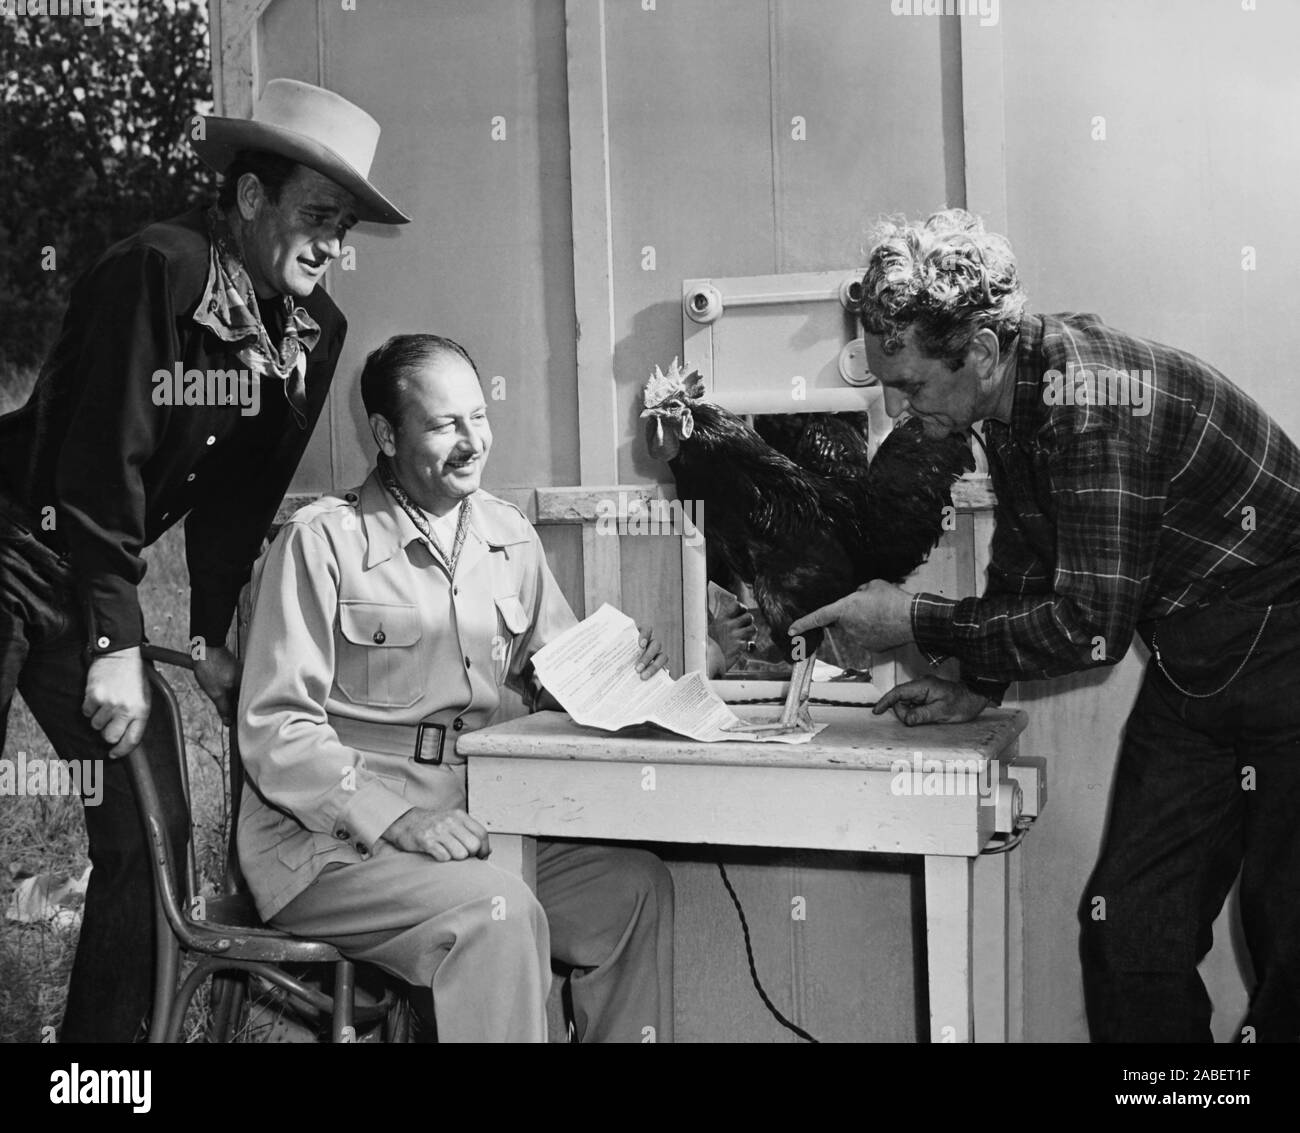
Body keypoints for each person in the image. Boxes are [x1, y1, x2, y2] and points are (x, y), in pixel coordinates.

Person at [790, 208, 1300, 1043]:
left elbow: (1087, 624)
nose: (893, 403)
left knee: (1292, 957)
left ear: (982, 353)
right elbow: (1032, 554)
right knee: (1125, 929)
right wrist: (973, 686)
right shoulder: (1016, 399)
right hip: (1195, 664)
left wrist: (914, 617)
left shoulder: (1092, 402)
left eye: (910, 382)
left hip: (1286, 652)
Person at [0, 78, 409, 1042]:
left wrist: (211, 632)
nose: (330, 245)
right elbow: (104, 463)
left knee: (151, 839)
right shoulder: (155, 270)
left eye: (344, 226)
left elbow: (236, 505)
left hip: (91, 574)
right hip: (18, 540)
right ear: (249, 197)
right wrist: (113, 638)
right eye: (316, 216)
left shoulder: (313, 331)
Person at [236, 333, 675, 1042]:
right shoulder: (322, 543)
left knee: (631, 891)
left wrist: (620, 671)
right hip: (333, 847)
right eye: (446, 425)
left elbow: (556, 672)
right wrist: (396, 817)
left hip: (474, 824)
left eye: (479, 417)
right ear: (384, 434)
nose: (474, 441)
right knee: (494, 914)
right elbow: (276, 730)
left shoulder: (508, 537)